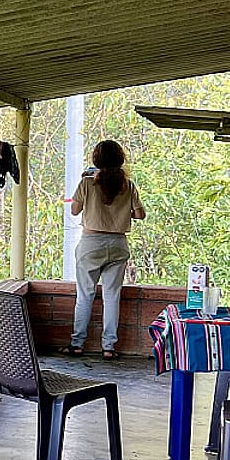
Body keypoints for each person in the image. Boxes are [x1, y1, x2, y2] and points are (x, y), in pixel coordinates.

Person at [60, 139, 146, 359]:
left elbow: (75, 210)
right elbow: (140, 214)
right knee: (112, 297)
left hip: (91, 243)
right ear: (120, 159)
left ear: (96, 160)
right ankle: (109, 347)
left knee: (85, 295)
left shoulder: (88, 183)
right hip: (118, 244)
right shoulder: (129, 185)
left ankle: (77, 344)